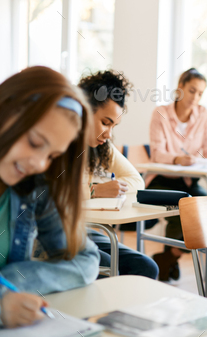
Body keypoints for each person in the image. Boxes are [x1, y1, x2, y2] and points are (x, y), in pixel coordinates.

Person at [0, 66, 100, 329]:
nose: (39, 164)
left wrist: (9, 283)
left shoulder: (34, 186)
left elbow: (84, 260)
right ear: (1, 112)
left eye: (52, 156)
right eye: (34, 142)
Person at [148, 67, 207, 281]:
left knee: (206, 209)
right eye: (191, 91)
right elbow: (157, 153)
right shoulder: (160, 113)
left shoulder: (203, 114)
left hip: (188, 180)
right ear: (180, 88)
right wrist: (177, 159)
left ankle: (169, 257)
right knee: (183, 205)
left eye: (200, 93)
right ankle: (170, 258)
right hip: (161, 179)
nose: (195, 97)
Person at [78, 70, 159, 280]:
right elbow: (48, 194)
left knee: (147, 268)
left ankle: (118, 314)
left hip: (82, 229)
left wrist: (108, 187)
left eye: (113, 126)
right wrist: (94, 190)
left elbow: (136, 181)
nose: (109, 134)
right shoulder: (58, 141)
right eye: (105, 123)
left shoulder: (101, 146)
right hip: (52, 232)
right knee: (104, 266)